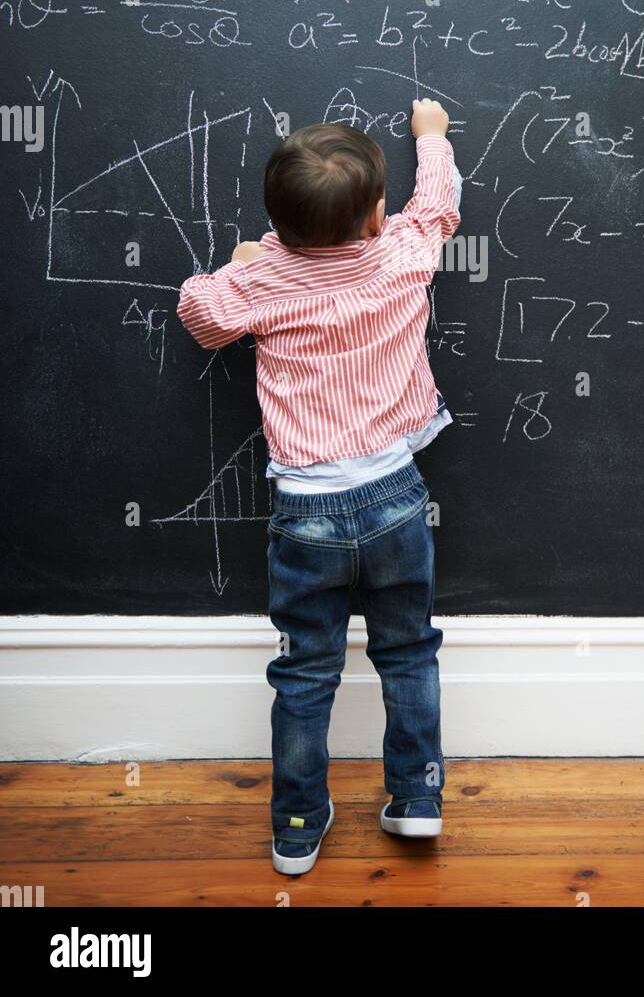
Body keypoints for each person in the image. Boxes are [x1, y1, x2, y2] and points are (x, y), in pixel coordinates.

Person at [176, 98, 461, 875]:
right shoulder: (402, 253)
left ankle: (298, 824)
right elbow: (436, 208)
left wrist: (238, 263)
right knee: (408, 652)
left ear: (277, 219)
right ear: (374, 216)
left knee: (305, 669)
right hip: (396, 495)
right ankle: (417, 800)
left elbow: (200, 317)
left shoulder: (262, 279)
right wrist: (431, 139)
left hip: (306, 510)